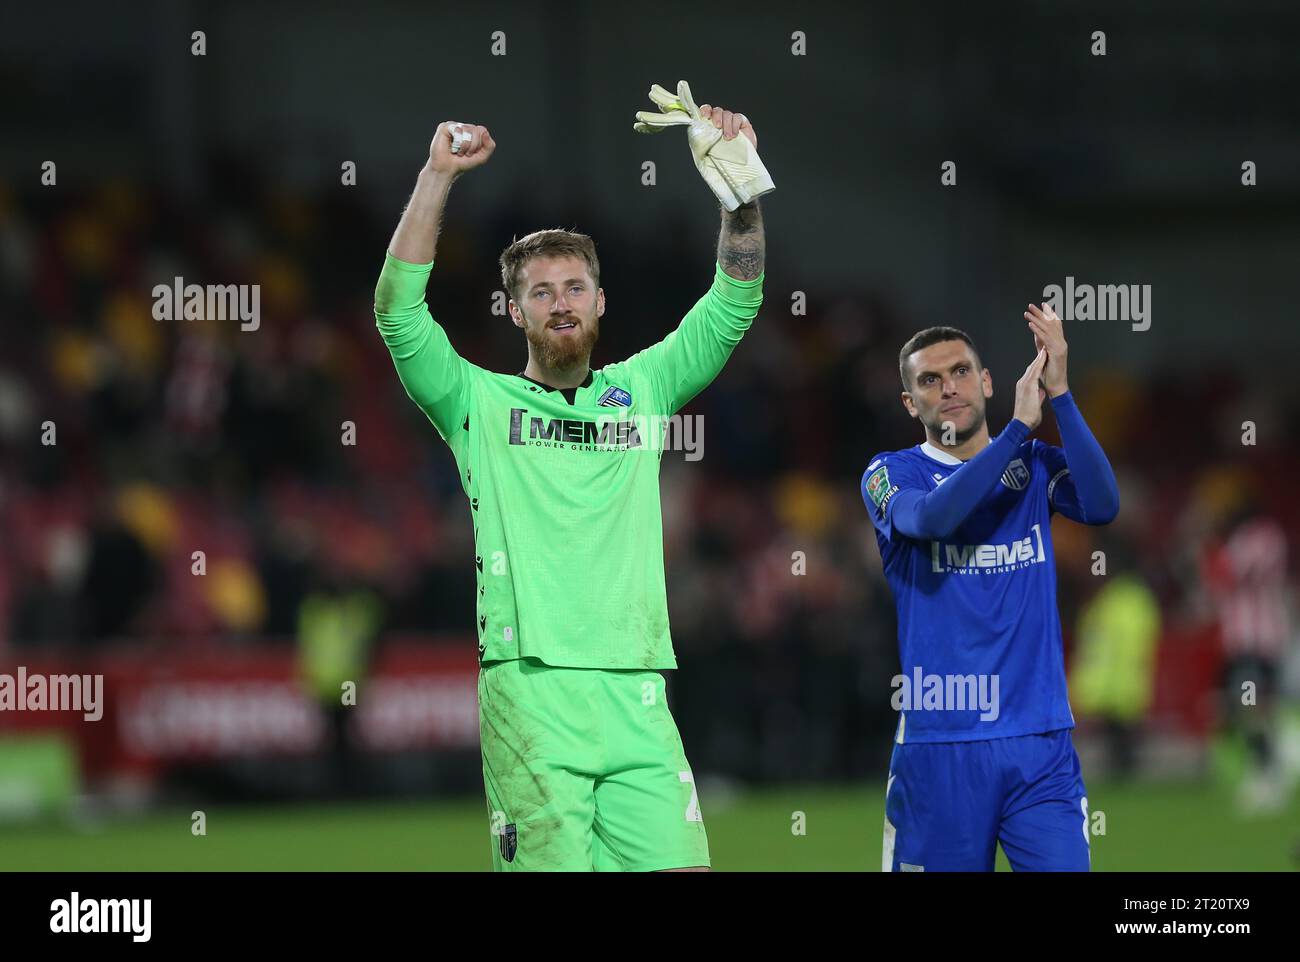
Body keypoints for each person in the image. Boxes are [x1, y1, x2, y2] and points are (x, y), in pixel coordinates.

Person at [373, 107, 765, 871]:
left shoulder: (642, 388)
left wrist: (737, 185)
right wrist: (437, 177)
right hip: (532, 694)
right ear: (515, 310)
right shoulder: (476, 404)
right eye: (542, 291)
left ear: (600, 301)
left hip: (638, 688)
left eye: (576, 286)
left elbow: (735, 300)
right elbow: (397, 312)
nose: (561, 302)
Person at [862, 309, 1119, 871]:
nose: (948, 387)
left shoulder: (1031, 464)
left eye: (959, 371)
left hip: (1039, 741)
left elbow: (1102, 504)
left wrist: (1063, 395)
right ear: (911, 403)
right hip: (941, 745)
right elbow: (933, 520)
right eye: (929, 380)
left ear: (987, 382)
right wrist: (1016, 432)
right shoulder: (891, 474)